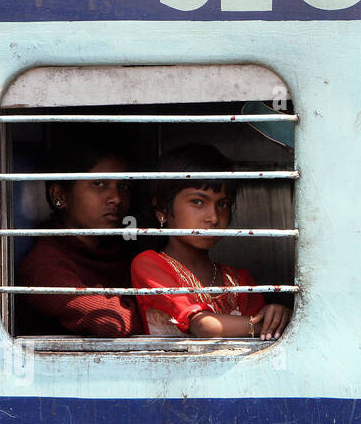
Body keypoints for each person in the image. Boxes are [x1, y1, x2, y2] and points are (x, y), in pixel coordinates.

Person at [131, 144, 291, 339]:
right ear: (163, 209)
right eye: (198, 201)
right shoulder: (149, 264)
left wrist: (276, 316)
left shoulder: (240, 281)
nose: (214, 218)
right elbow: (205, 326)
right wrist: (271, 326)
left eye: (223, 204)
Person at [16, 130, 142, 336]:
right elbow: (111, 321)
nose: (116, 198)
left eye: (124, 186)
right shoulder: (45, 266)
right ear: (60, 195)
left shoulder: (124, 253)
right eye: (99, 184)